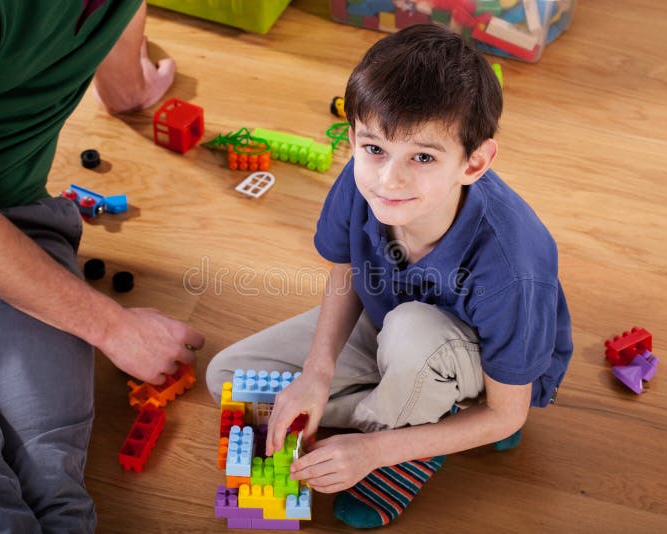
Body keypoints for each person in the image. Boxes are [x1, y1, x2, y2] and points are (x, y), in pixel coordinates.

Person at [206, 23, 573, 528]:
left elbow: (510, 413)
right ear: (355, 137)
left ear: (474, 162)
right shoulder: (366, 181)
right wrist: (316, 372)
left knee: (413, 333)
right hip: (390, 322)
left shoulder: (511, 268)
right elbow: (347, 269)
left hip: (483, 369)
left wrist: (374, 450)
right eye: (374, 149)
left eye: (422, 157)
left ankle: (415, 440)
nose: (388, 180)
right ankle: (418, 412)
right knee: (228, 377)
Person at [0, 1, 204, 531]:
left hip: (9, 224)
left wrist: (132, 86)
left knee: (50, 470)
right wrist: (114, 326)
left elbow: (122, 84)